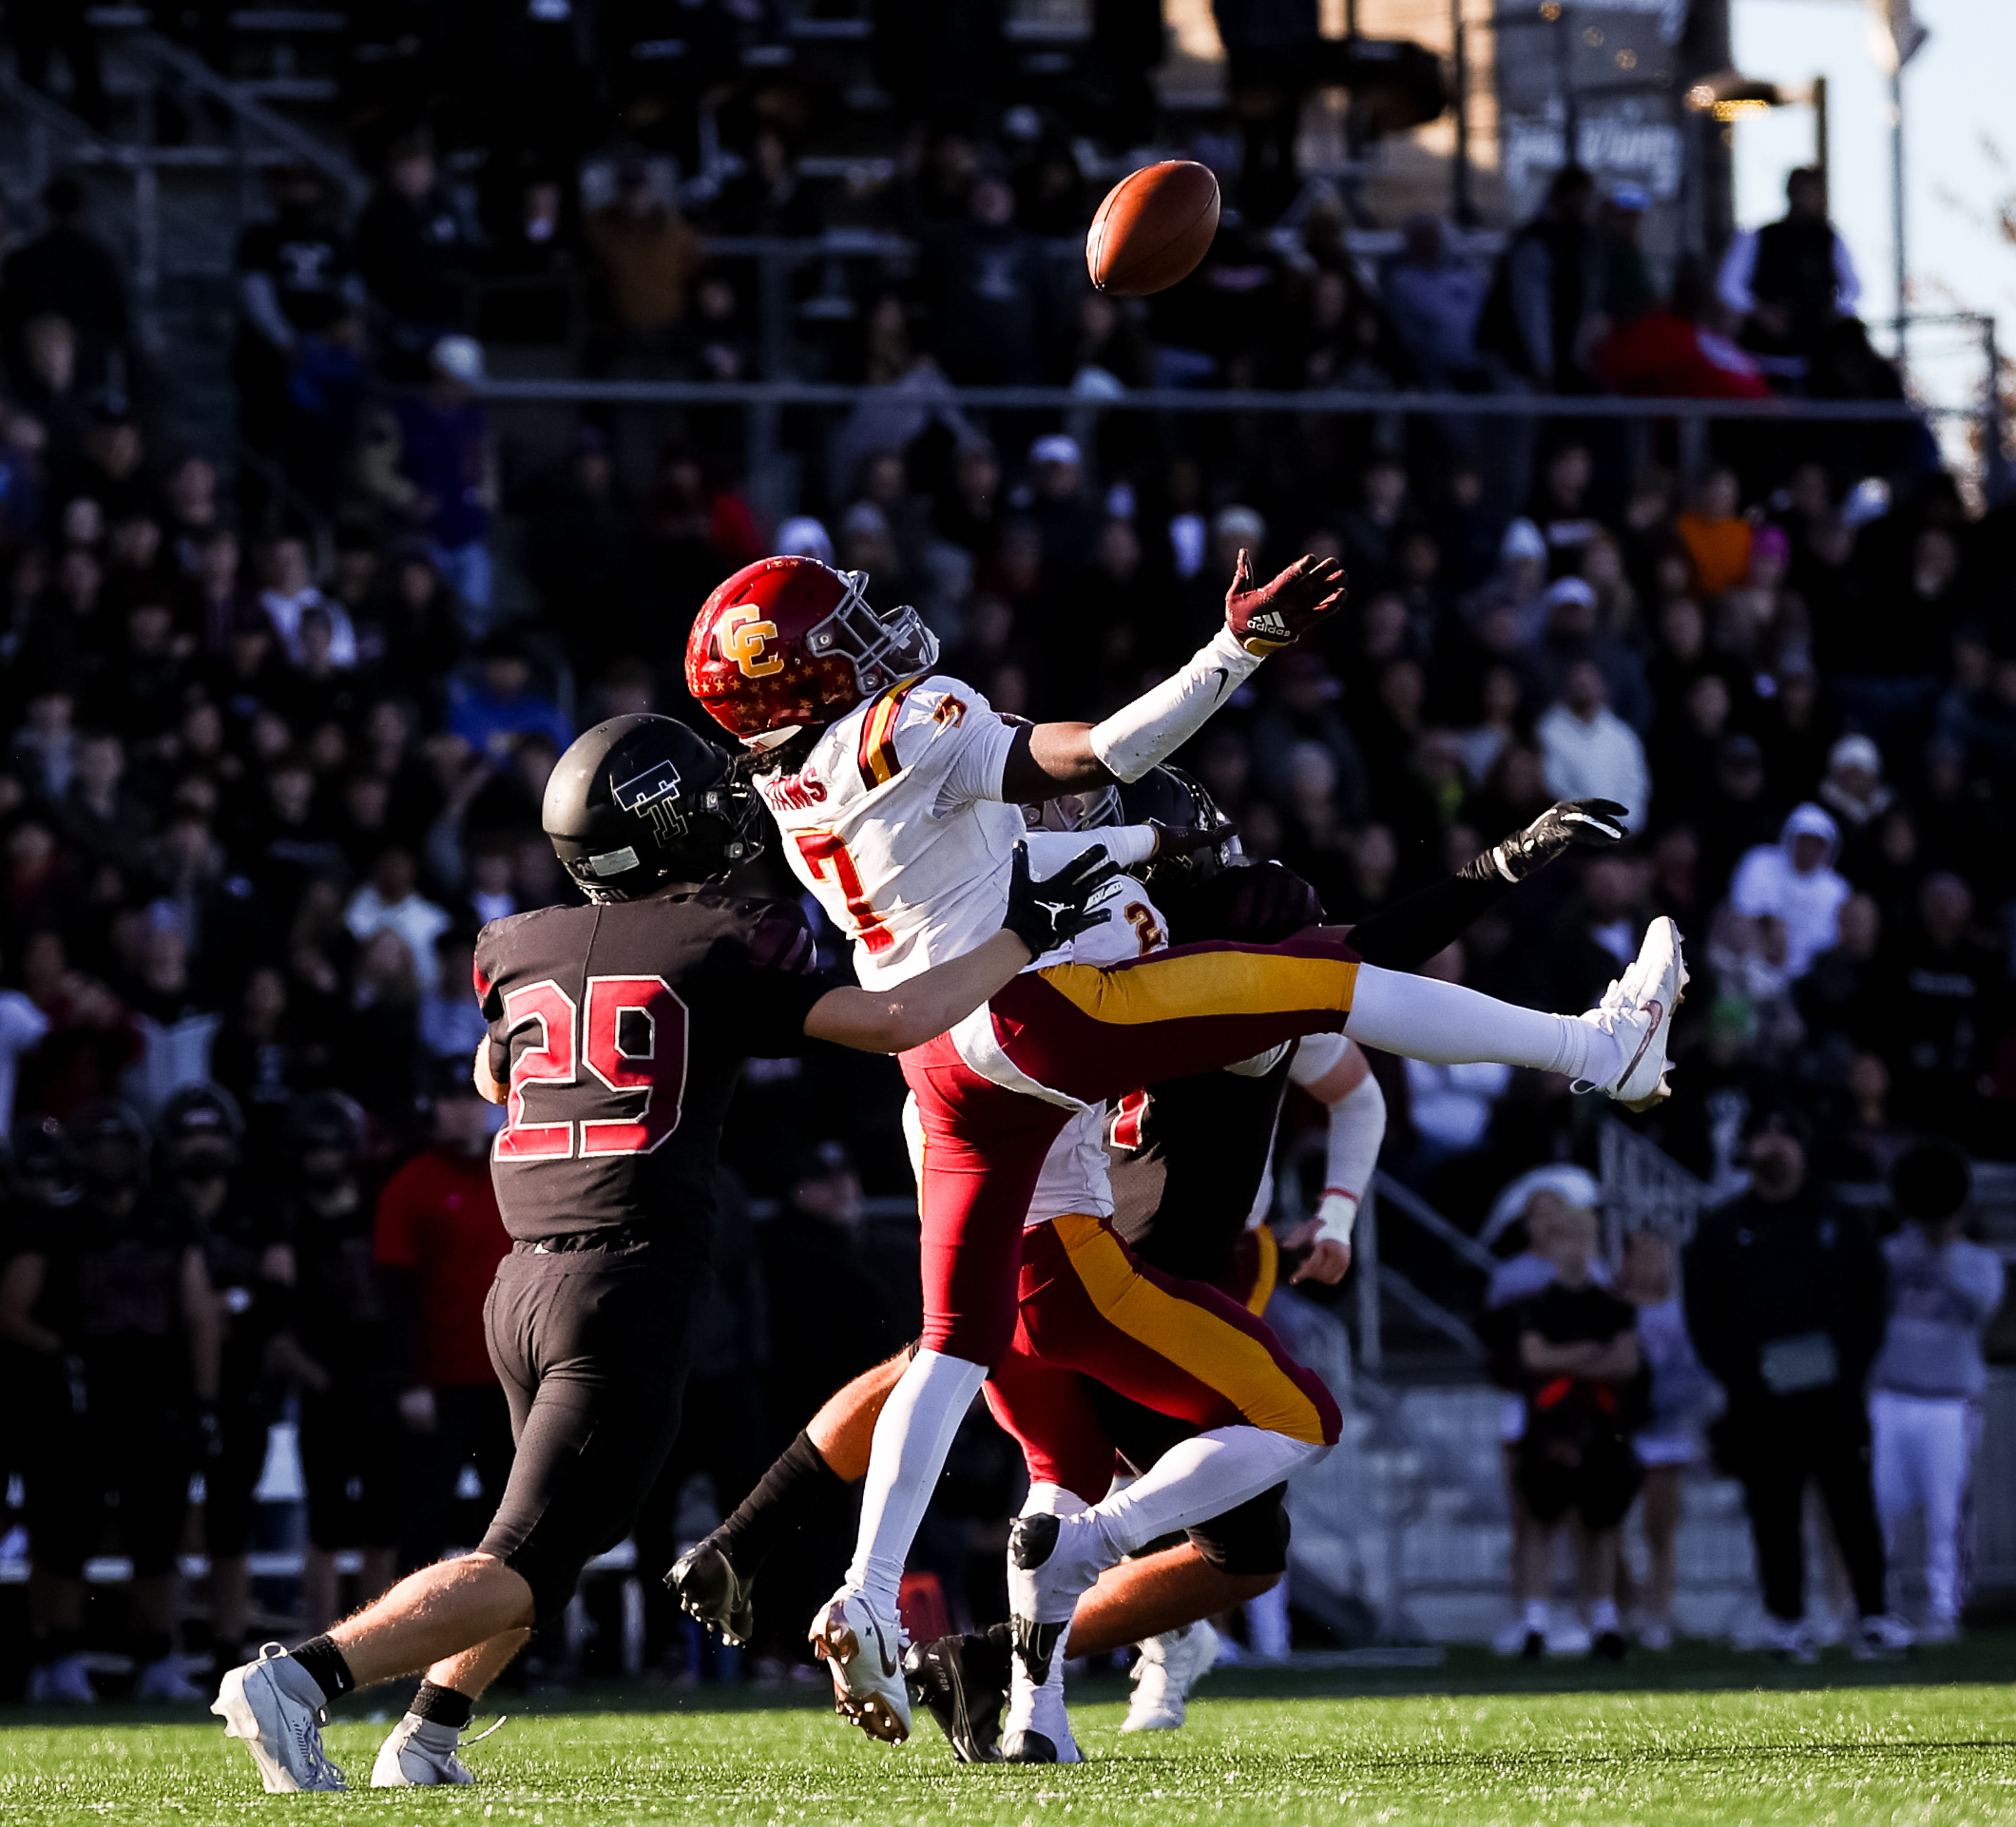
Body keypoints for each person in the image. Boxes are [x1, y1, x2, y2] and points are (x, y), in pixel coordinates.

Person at [683, 552, 1683, 1744]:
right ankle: (1595, 1047)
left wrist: (1142, 853)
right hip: (1035, 1020)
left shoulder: (792, 787)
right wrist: (1237, 653)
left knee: (951, 1346)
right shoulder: (918, 718)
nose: (882, 629)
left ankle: (869, 1588)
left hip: (941, 1065)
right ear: (811, 670)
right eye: (845, 625)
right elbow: (1098, 753)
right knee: (1332, 987)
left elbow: (1017, 855)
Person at [210, 712, 1122, 1792]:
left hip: (523, 1278)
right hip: (621, 1279)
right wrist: (1021, 930)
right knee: (532, 1555)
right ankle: (301, 1678)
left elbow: (492, 1079)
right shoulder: (718, 937)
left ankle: (430, 1731)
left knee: (540, 1532)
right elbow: (896, 1019)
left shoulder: (517, 942)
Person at [0, 1101, 221, 1703]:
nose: (110, 1160)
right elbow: (12, 1311)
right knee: (61, 1540)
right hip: (72, 1409)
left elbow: (200, 1314)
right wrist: (65, 1350)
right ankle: (58, 1660)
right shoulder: (54, 1223)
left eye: (120, 1147)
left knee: (156, 1540)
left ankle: (155, 1660)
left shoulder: (170, 1220)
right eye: (98, 1147)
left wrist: (203, 1404)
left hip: (156, 1404)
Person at [1682, 1105, 1909, 1663]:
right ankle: (1786, 1621)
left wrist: (1851, 1364)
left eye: (1784, 1137)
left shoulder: (1843, 1220)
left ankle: (1873, 1616)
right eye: (1763, 1137)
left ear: (1804, 1149)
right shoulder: (1720, 1229)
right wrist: (1738, 1373)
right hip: (1759, 1401)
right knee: (1772, 1512)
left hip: (1835, 1397)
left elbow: (1873, 1301)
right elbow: (1702, 1313)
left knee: (1853, 1508)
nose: (1773, 1148)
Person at [161, 1083, 292, 1690]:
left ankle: (225, 1649)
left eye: (212, 1132)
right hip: (158, 1386)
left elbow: (279, 1292)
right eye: (191, 1133)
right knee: (156, 1523)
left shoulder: (259, 1206)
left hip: (242, 1385)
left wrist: (231, 1306)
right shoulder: (155, 1208)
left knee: (230, 1523)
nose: (202, 1144)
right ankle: (158, 1652)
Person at [373, 1056, 514, 1574]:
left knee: (514, 1519)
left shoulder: (517, 1172)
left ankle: (517, 1648)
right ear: (433, 1108)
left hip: (509, 1381)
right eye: (453, 1100)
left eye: (474, 1099)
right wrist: (410, 1382)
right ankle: (411, 1642)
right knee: (423, 1522)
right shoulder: (410, 1185)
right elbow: (394, 1293)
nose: (464, 1112)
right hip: (441, 1385)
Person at [1487, 1199, 1642, 1662]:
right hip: (1549, 1428)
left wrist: (1568, 1360)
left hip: (1601, 1428)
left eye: (1583, 1239)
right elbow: (1535, 1357)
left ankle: (1602, 1618)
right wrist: (1594, 1356)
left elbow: (1627, 1361)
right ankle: (1534, 1620)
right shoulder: (1536, 1304)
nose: (1575, 1249)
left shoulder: (1612, 1305)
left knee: (1602, 1521)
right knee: (1539, 1519)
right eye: (1566, 1239)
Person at [1867, 1142, 2005, 1641]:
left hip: (1949, 1403)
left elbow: (1981, 1306)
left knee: (1947, 1514)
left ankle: (1944, 1610)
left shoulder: (1979, 1261)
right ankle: (1880, 1609)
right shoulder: (1888, 1253)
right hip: (1891, 1398)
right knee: (1881, 1509)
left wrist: (1941, 1249)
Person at [1617, 1227, 1714, 1651]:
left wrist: (1651, 1399)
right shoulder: (1613, 1311)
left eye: (1659, 1255)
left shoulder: (1680, 1317)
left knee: (1660, 1529)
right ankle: (1622, 1604)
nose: (1652, 1263)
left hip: (1665, 1433)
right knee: (1609, 1527)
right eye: (1643, 1254)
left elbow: (1693, 1377)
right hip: (1618, 1434)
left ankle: (1659, 1611)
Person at [1717, 166, 1862, 380]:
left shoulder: (1831, 240)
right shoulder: (1759, 236)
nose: (1803, 198)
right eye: (1799, 190)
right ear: (1788, 192)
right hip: (1762, 355)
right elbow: (1728, 286)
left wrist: (1825, 314)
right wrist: (1761, 311)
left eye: (1810, 191)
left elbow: (1854, 289)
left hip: (1817, 357)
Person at [1729, 803, 1850, 980]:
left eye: (1817, 844)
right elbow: (1741, 912)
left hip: (1805, 980)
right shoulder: (1759, 862)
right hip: (1747, 962)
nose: (1809, 849)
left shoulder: (1837, 890)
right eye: (1804, 840)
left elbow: (1827, 942)